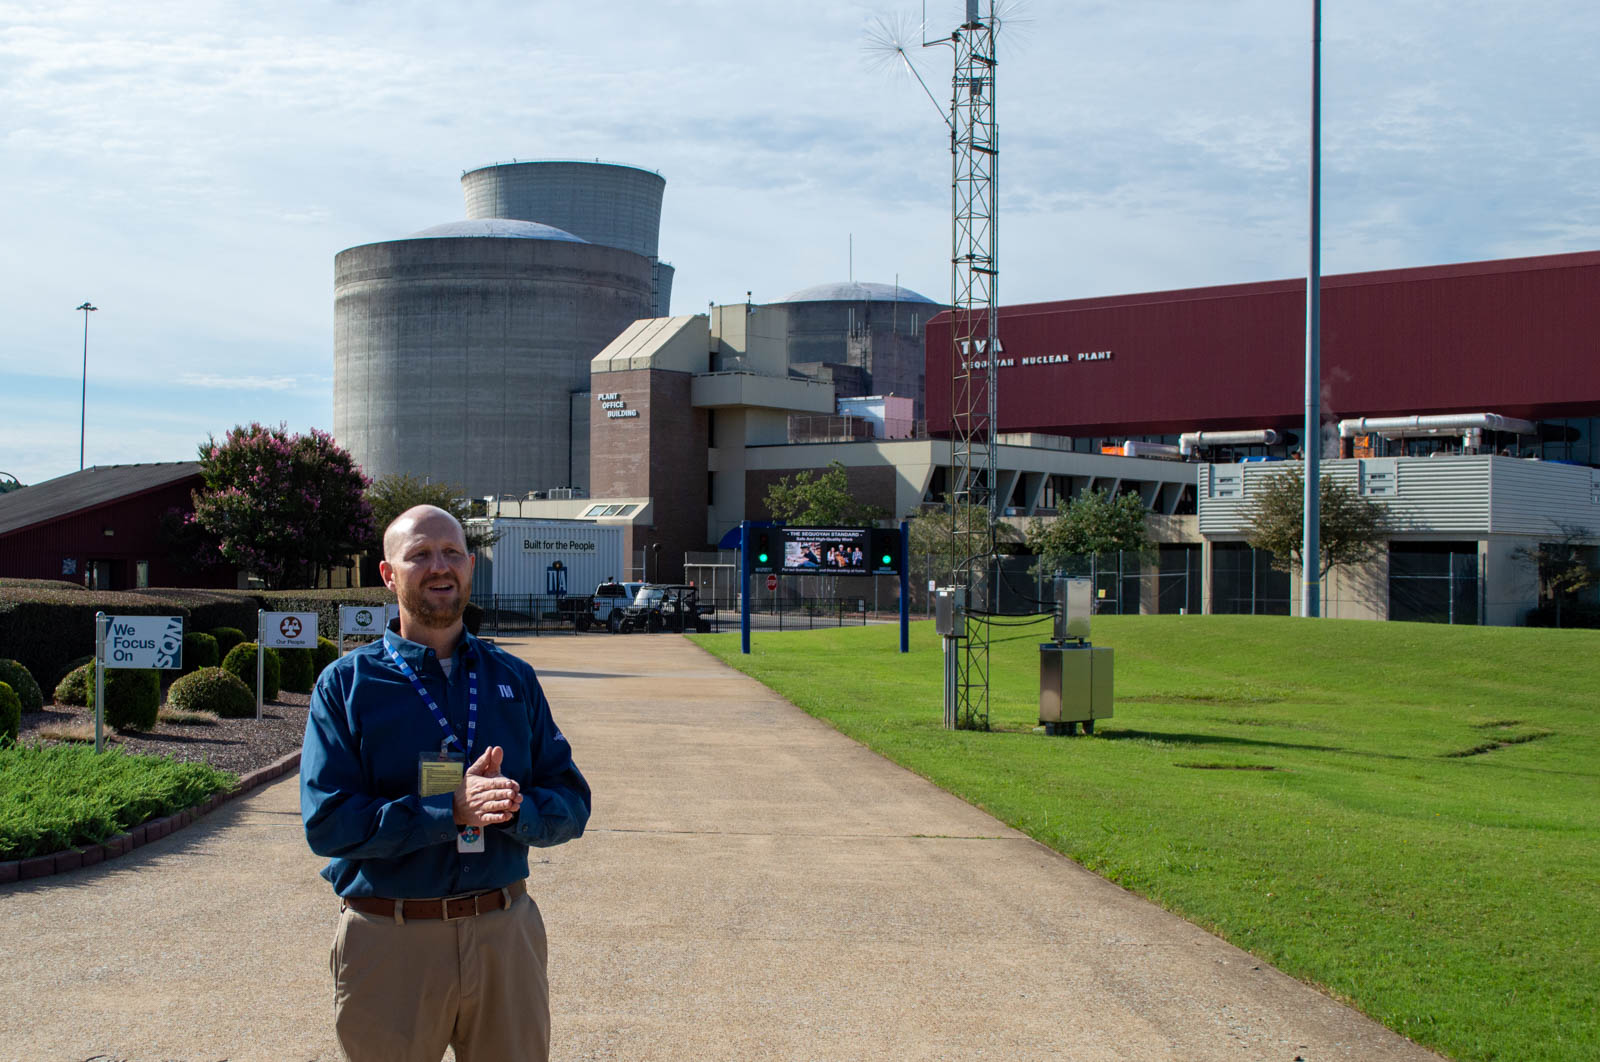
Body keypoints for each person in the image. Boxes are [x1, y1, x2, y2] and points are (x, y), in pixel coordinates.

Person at [301, 505, 590, 1062]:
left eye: (452, 553)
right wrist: (447, 810)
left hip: (504, 932)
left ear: (470, 565)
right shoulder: (346, 686)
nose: (440, 567)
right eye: (420, 555)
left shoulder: (513, 678)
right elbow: (327, 823)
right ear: (388, 575)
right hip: (391, 940)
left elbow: (572, 800)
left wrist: (515, 807)